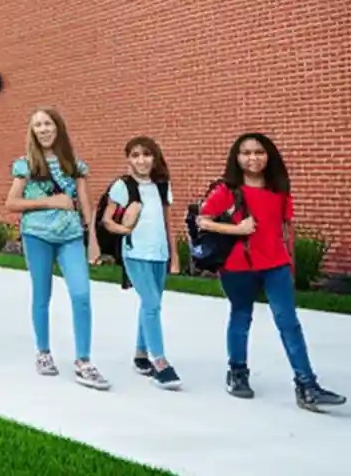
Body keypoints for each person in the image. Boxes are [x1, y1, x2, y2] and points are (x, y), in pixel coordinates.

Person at [196, 133, 344, 411]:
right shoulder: (225, 190)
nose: (253, 158)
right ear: (237, 158)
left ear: (269, 156)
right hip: (237, 266)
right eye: (246, 153)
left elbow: (287, 228)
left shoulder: (279, 188)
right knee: (241, 316)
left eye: (259, 152)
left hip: (275, 265)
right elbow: (202, 221)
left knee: (288, 322)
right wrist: (236, 230)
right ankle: (237, 372)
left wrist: (292, 263)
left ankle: (307, 385)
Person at [5, 108, 108, 390]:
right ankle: (43, 352)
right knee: (42, 294)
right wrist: (51, 202)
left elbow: (86, 204)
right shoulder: (25, 165)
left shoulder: (74, 165)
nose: (43, 129)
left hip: (70, 236)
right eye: (37, 125)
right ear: (32, 131)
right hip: (36, 236)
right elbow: (12, 203)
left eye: (47, 123)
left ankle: (84, 360)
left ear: (58, 127)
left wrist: (93, 240)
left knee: (81, 293)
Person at [99, 136, 181, 389]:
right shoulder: (123, 186)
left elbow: (168, 223)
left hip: (159, 254)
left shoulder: (161, 185)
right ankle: (160, 362)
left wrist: (175, 255)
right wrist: (125, 230)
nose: (141, 160)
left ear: (155, 157)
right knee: (152, 304)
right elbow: (107, 220)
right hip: (135, 253)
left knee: (151, 304)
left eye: (146, 154)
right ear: (128, 160)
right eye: (135, 155)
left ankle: (140, 354)